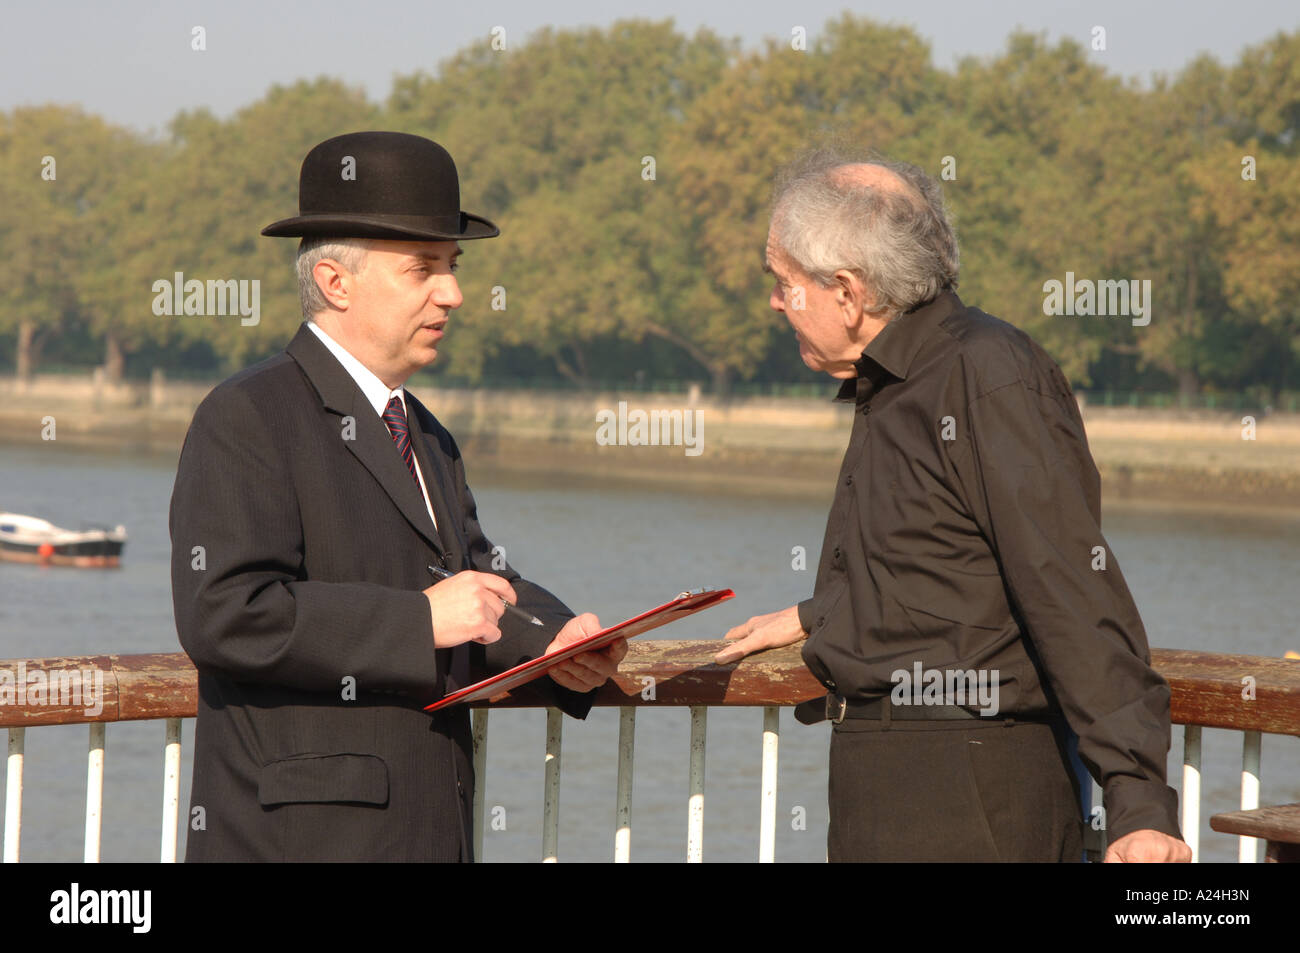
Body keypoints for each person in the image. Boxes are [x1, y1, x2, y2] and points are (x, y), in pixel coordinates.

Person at [715, 148, 1191, 863]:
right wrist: (821, 613)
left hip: (972, 793)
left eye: (783, 283)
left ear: (847, 292)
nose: (776, 302)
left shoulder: (986, 373)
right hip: (892, 785)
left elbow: (1069, 587)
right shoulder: (898, 383)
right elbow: (945, 568)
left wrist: (1138, 802)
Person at [170, 131, 626, 862]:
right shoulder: (247, 414)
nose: (454, 292)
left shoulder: (428, 432)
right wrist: (419, 620)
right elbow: (225, 614)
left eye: (452, 266)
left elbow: (477, 583)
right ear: (334, 281)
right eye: (423, 269)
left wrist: (555, 641)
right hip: (300, 843)